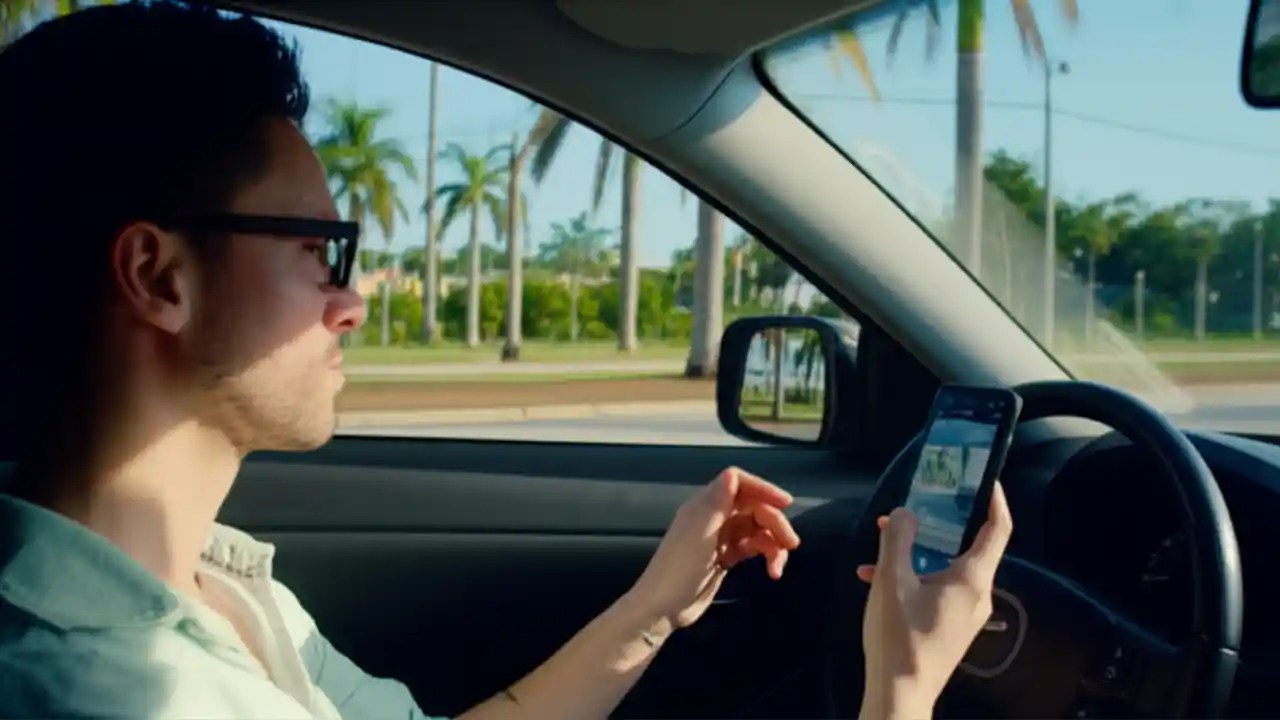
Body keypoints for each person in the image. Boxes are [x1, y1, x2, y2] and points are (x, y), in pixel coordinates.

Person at [0, 3, 1010, 718]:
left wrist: (657, 604)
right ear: (157, 276)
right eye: (318, 251)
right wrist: (903, 686)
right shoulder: (114, 689)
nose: (350, 304)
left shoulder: (209, 579)